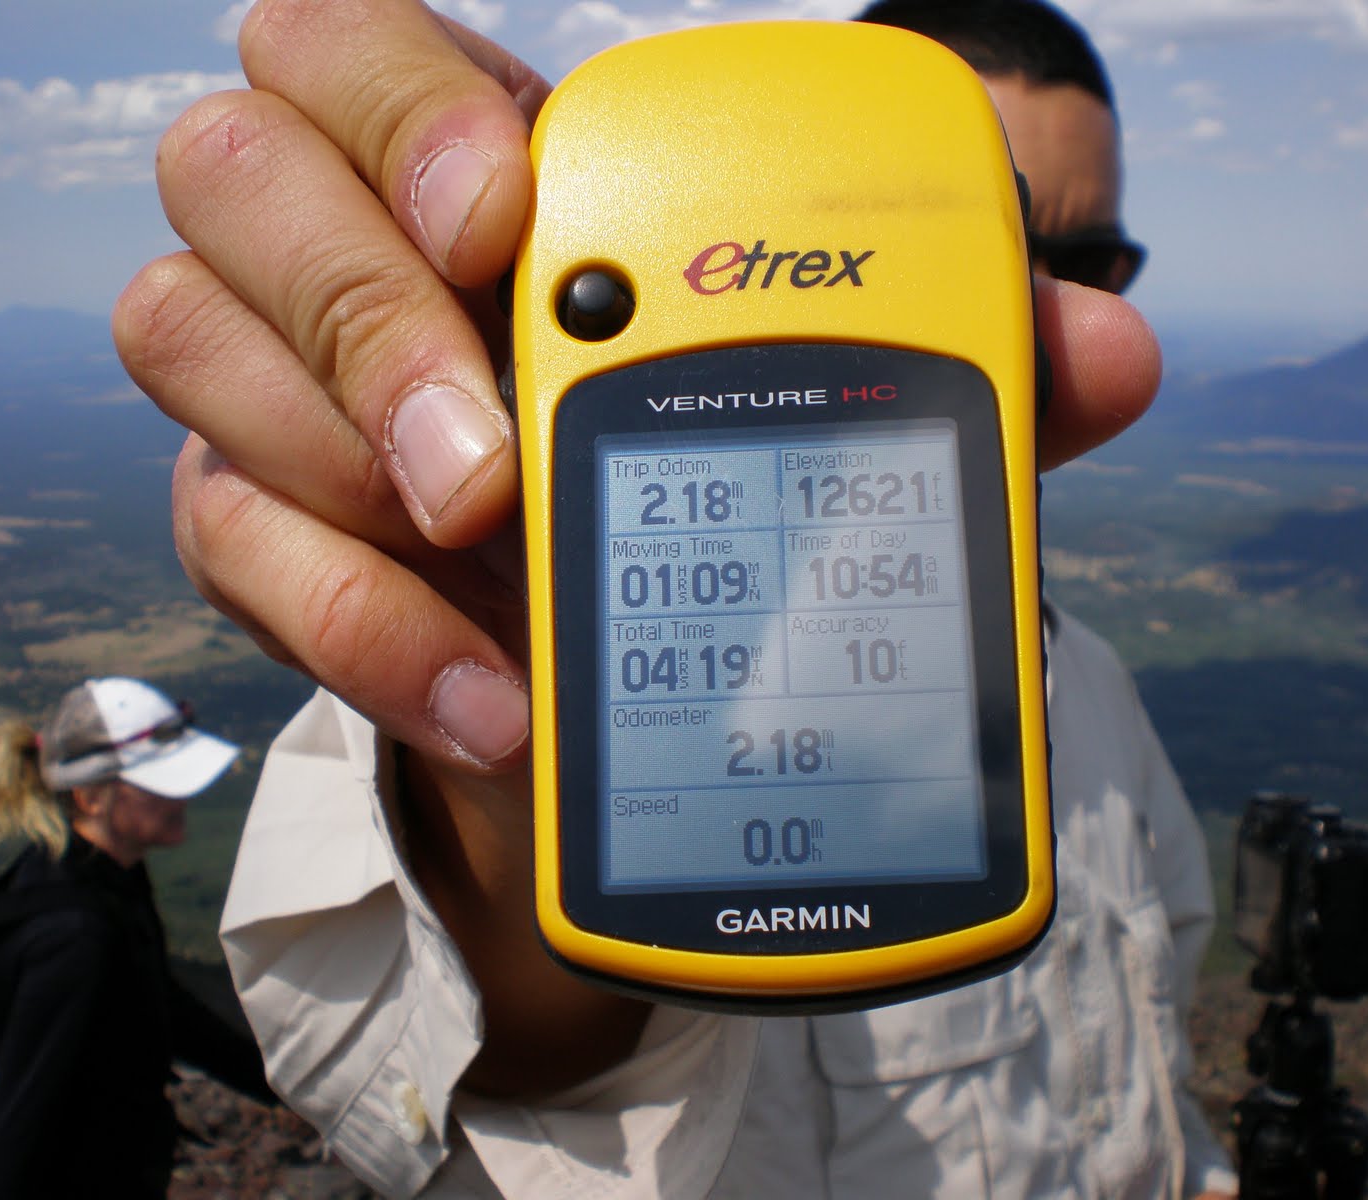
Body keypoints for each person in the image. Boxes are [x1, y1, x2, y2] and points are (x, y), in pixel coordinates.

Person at [112, 0, 1232, 1195]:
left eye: (1091, 262)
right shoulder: (561, 600)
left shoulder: (1096, 689)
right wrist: (502, 774)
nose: (1044, 305)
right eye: (951, 224)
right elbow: (467, 1059)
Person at [0, 676, 274, 1198]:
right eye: (159, 782)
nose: (183, 795)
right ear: (91, 797)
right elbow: (21, 1123)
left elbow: (158, 1003)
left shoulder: (99, 880)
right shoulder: (75, 939)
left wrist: (280, 1082)